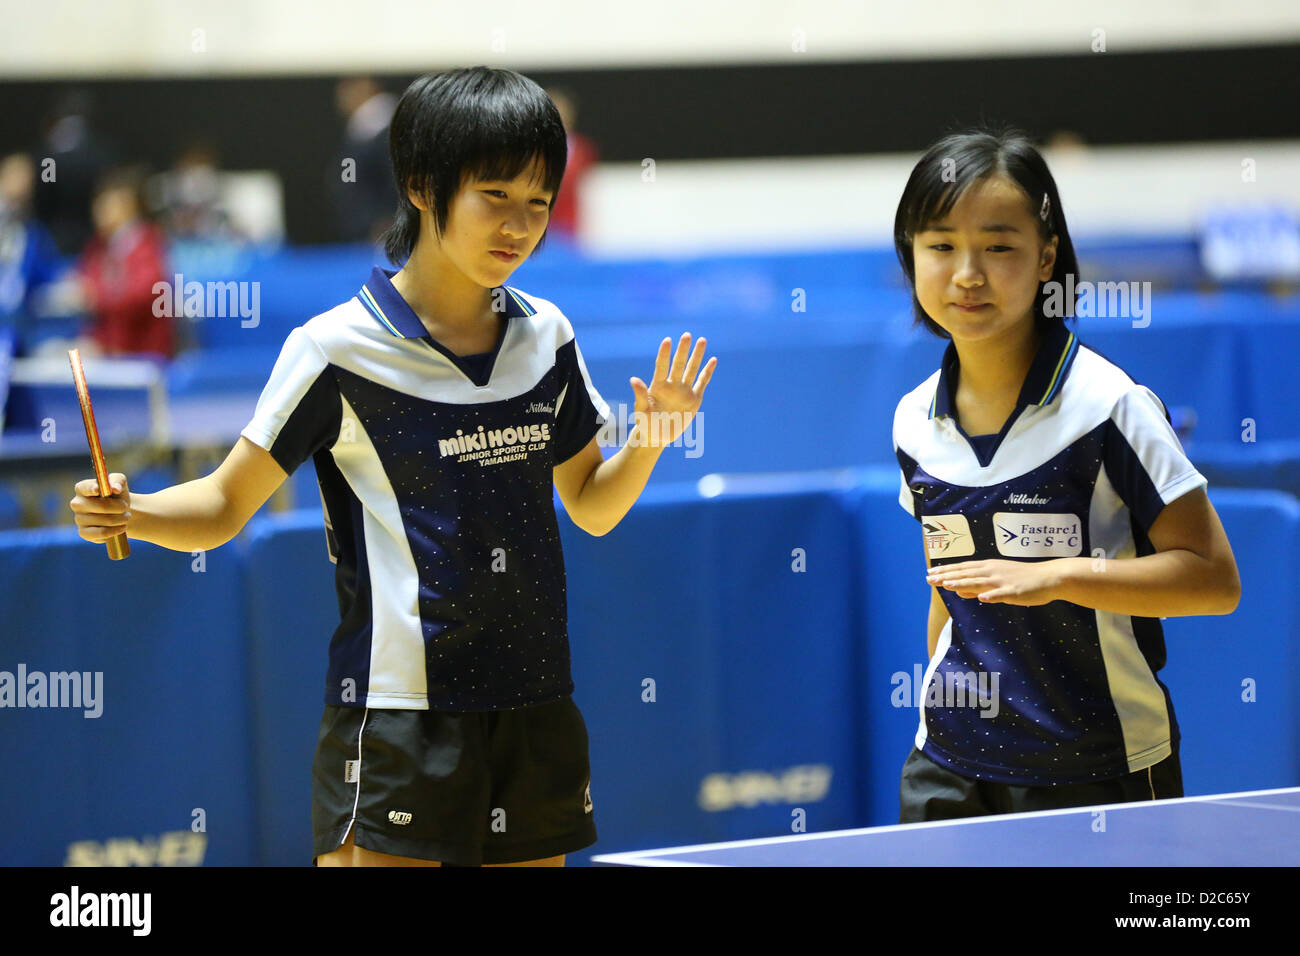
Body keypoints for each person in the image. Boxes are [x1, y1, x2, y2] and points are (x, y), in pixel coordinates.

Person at [68, 65, 716, 867]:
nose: (519, 225)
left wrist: (649, 438)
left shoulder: (547, 335)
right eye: (494, 196)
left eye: (538, 202)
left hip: (535, 701)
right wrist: (130, 512)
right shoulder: (333, 349)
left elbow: (589, 503)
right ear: (421, 185)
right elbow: (226, 506)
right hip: (399, 711)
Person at [890, 126, 1240, 823]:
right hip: (948, 764)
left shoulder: (1112, 406)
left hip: (1097, 768)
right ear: (912, 257)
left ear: (1046, 256)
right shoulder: (911, 421)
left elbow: (1213, 580)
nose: (967, 273)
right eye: (940, 246)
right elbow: (948, 593)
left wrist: (1062, 576)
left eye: (998, 246)